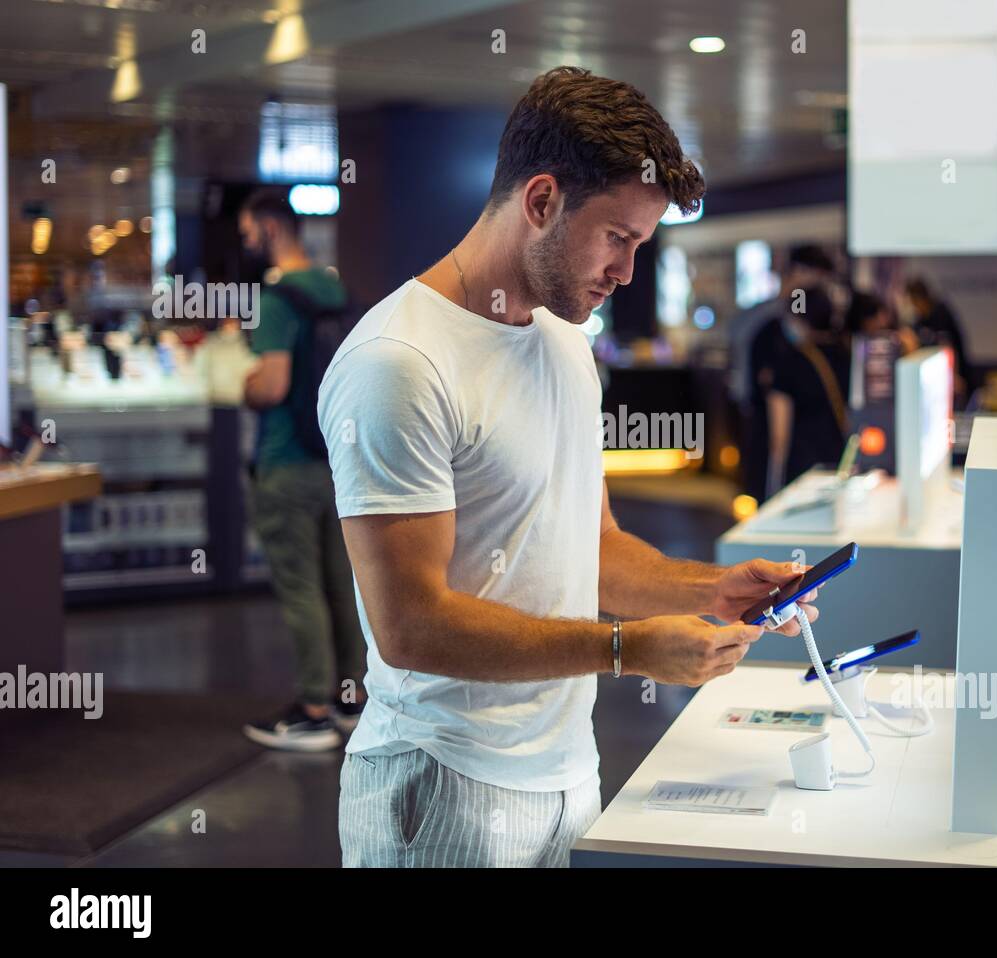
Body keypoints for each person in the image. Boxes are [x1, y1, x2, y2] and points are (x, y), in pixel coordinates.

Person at [318, 66, 822, 868]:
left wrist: (708, 590)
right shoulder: (399, 362)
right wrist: (627, 650)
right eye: (617, 237)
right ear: (542, 200)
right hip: (443, 780)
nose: (626, 270)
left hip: (567, 773)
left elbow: (589, 546)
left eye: (639, 245)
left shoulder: (563, 344)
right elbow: (410, 625)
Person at [239, 189, 367, 752]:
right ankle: (350, 701)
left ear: (269, 229)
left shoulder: (274, 298)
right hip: (337, 463)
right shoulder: (334, 289)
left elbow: (271, 384)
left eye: (246, 232)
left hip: (287, 462)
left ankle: (312, 708)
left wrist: (238, 384)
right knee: (343, 584)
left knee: (300, 587)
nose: (244, 243)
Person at [729, 245, 836, 501]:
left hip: (788, 424)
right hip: (770, 420)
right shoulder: (781, 313)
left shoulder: (780, 311)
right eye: (818, 277)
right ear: (801, 272)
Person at [761, 286, 853, 490]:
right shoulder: (849, 356)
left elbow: (779, 436)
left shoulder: (789, 363)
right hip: (843, 462)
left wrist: (773, 484)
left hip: (803, 470)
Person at [903, 277, 971, 404]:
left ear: (920, 297)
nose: (913, 306)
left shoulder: (940, 313)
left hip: (953, 374)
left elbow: (948, 347)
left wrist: (953, 376)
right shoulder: (920, 319)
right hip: (935, 378)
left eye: (913, 301)